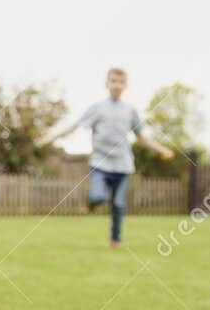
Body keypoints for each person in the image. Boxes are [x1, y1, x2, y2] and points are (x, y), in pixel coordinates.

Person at [41, 68, 174, 247]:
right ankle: (91, 203)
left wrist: (161, 149)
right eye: (113, 81)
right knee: (98, 196)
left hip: (123, 165)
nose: (116, 85)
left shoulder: (130, 111)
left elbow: (141, 136)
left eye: (120, 82)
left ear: (125, 85)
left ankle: (115, 239)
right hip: (100, 164)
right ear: (107, 83)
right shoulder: (97, 109)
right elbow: (75, 126)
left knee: (119, 205)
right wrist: (50, 137)